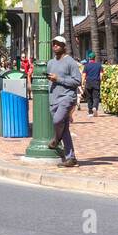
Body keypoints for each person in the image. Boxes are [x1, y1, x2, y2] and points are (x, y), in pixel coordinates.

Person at [45, 37, 81, 167]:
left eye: (58, 44)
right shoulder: (50, 63)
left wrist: (59, 79)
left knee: (57, 121)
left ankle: (56, 139)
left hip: (67, 98)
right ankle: (71, 158)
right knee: (64, 129)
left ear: (64, 46)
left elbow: (77, 81)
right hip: (54, 99)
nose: (55, 46)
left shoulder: (70, 62)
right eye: (53, 43)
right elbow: (50, 82)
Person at [82, 52, 103, 117]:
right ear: (94, 58)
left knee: (89, 98)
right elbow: (101, 75)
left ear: (89, 58)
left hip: (88, 83)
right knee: (96, 97)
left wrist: (82, 83)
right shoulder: (99, 65)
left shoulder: (86, 65)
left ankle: (90, 112)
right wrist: (100, 81)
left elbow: (84, 75)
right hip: (96, 83)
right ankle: (95, 107)